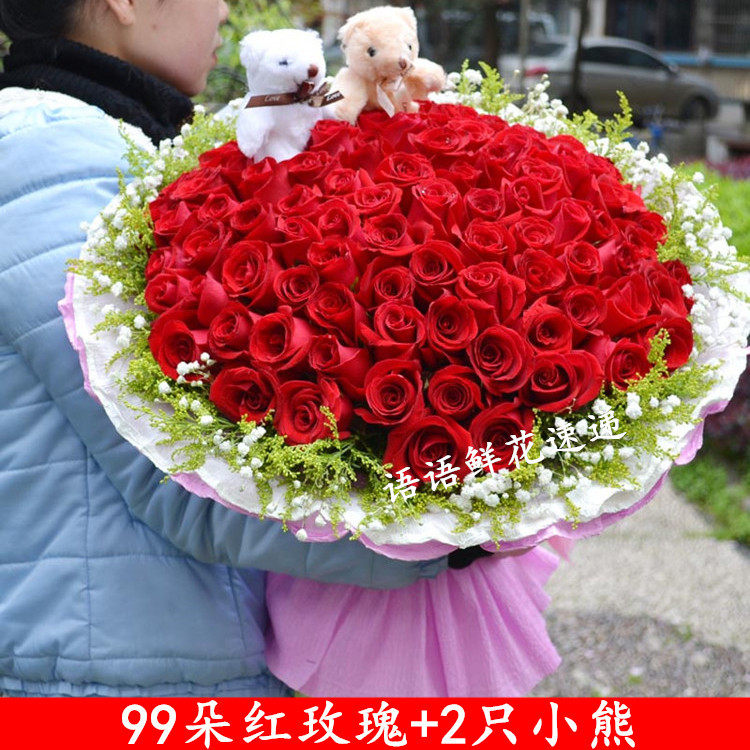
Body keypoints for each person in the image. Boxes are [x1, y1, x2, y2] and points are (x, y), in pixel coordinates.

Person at [0, 0, 449, 697]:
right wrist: (452, 528)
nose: (224, 8)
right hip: (112, 675)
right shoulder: (52, 158)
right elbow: (177, 476)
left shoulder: (103, 139)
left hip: (141, 657)